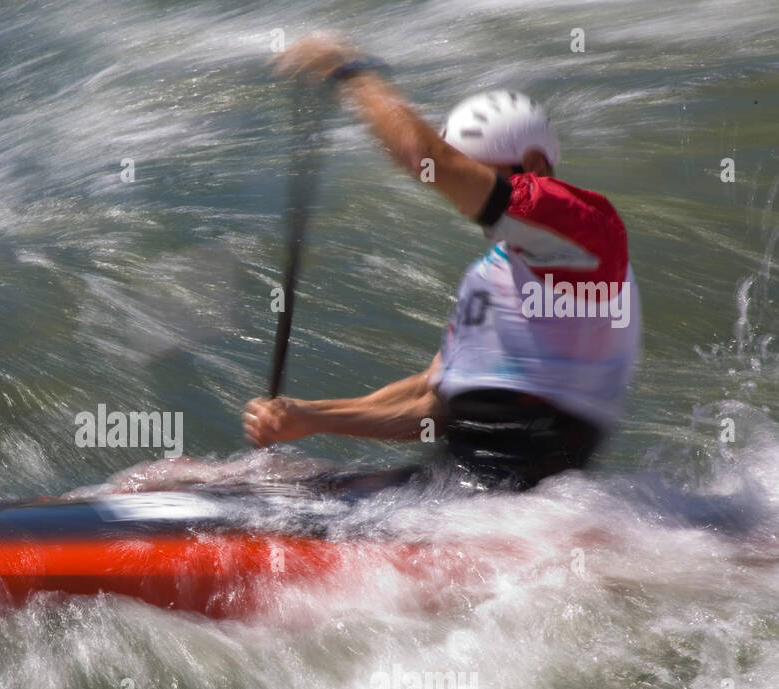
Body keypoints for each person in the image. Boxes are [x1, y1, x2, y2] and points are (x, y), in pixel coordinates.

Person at [243, 34, 641, 490]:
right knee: (184, 477)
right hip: (454, 485)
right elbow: (430, 403)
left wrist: (348, 71)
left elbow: (425, 158)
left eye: (474, 172)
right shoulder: (489, 272)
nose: (458, 197)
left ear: (533, 165)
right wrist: (309, 417)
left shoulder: (587, 228)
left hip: (519, 492)